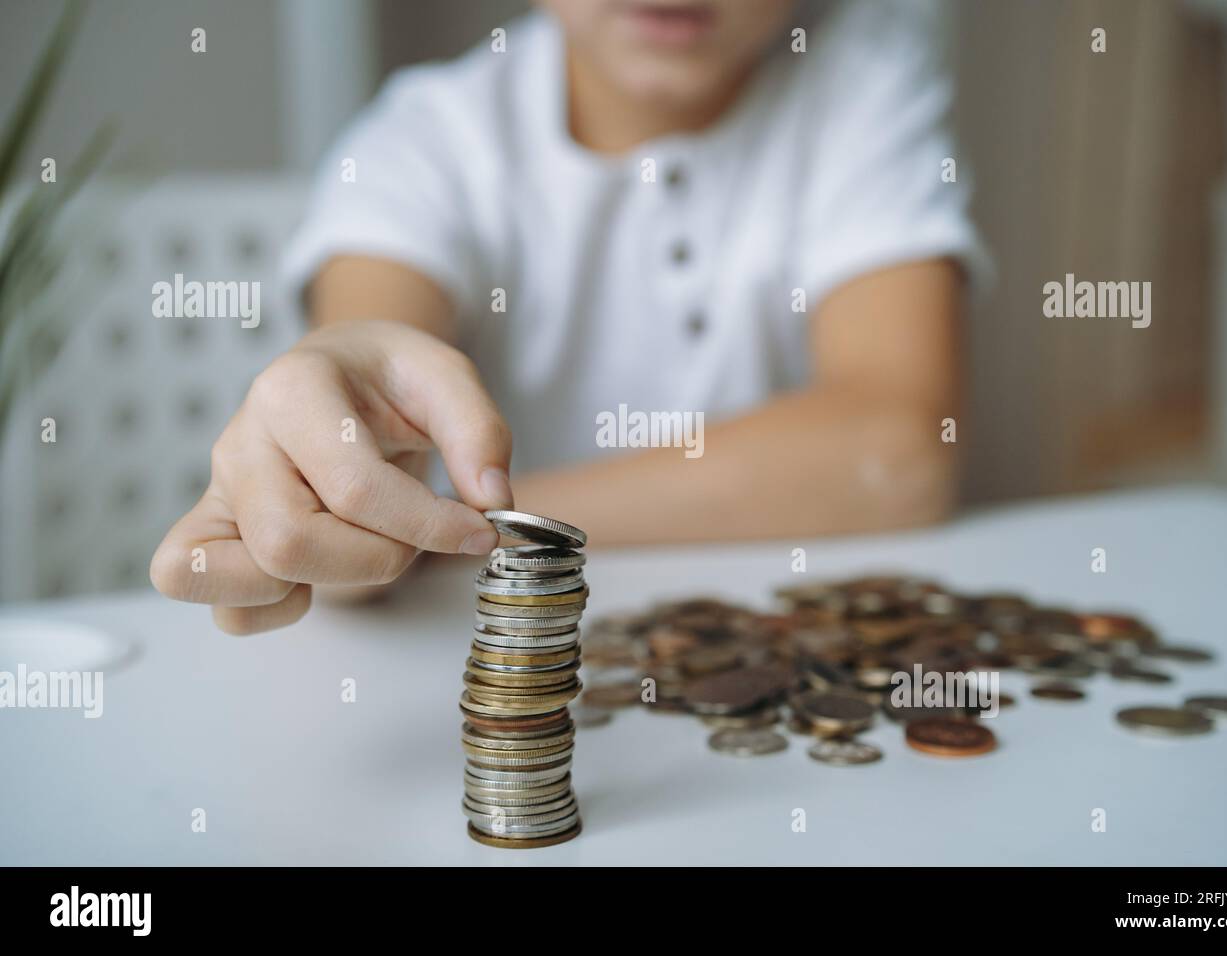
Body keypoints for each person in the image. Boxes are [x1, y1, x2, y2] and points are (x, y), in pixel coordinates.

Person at [151, 0, 988, 635]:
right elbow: (359, 397)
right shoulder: (425, 138)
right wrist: (330, 444)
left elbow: (898, 450)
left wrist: (457, 529)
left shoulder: (867, 100)